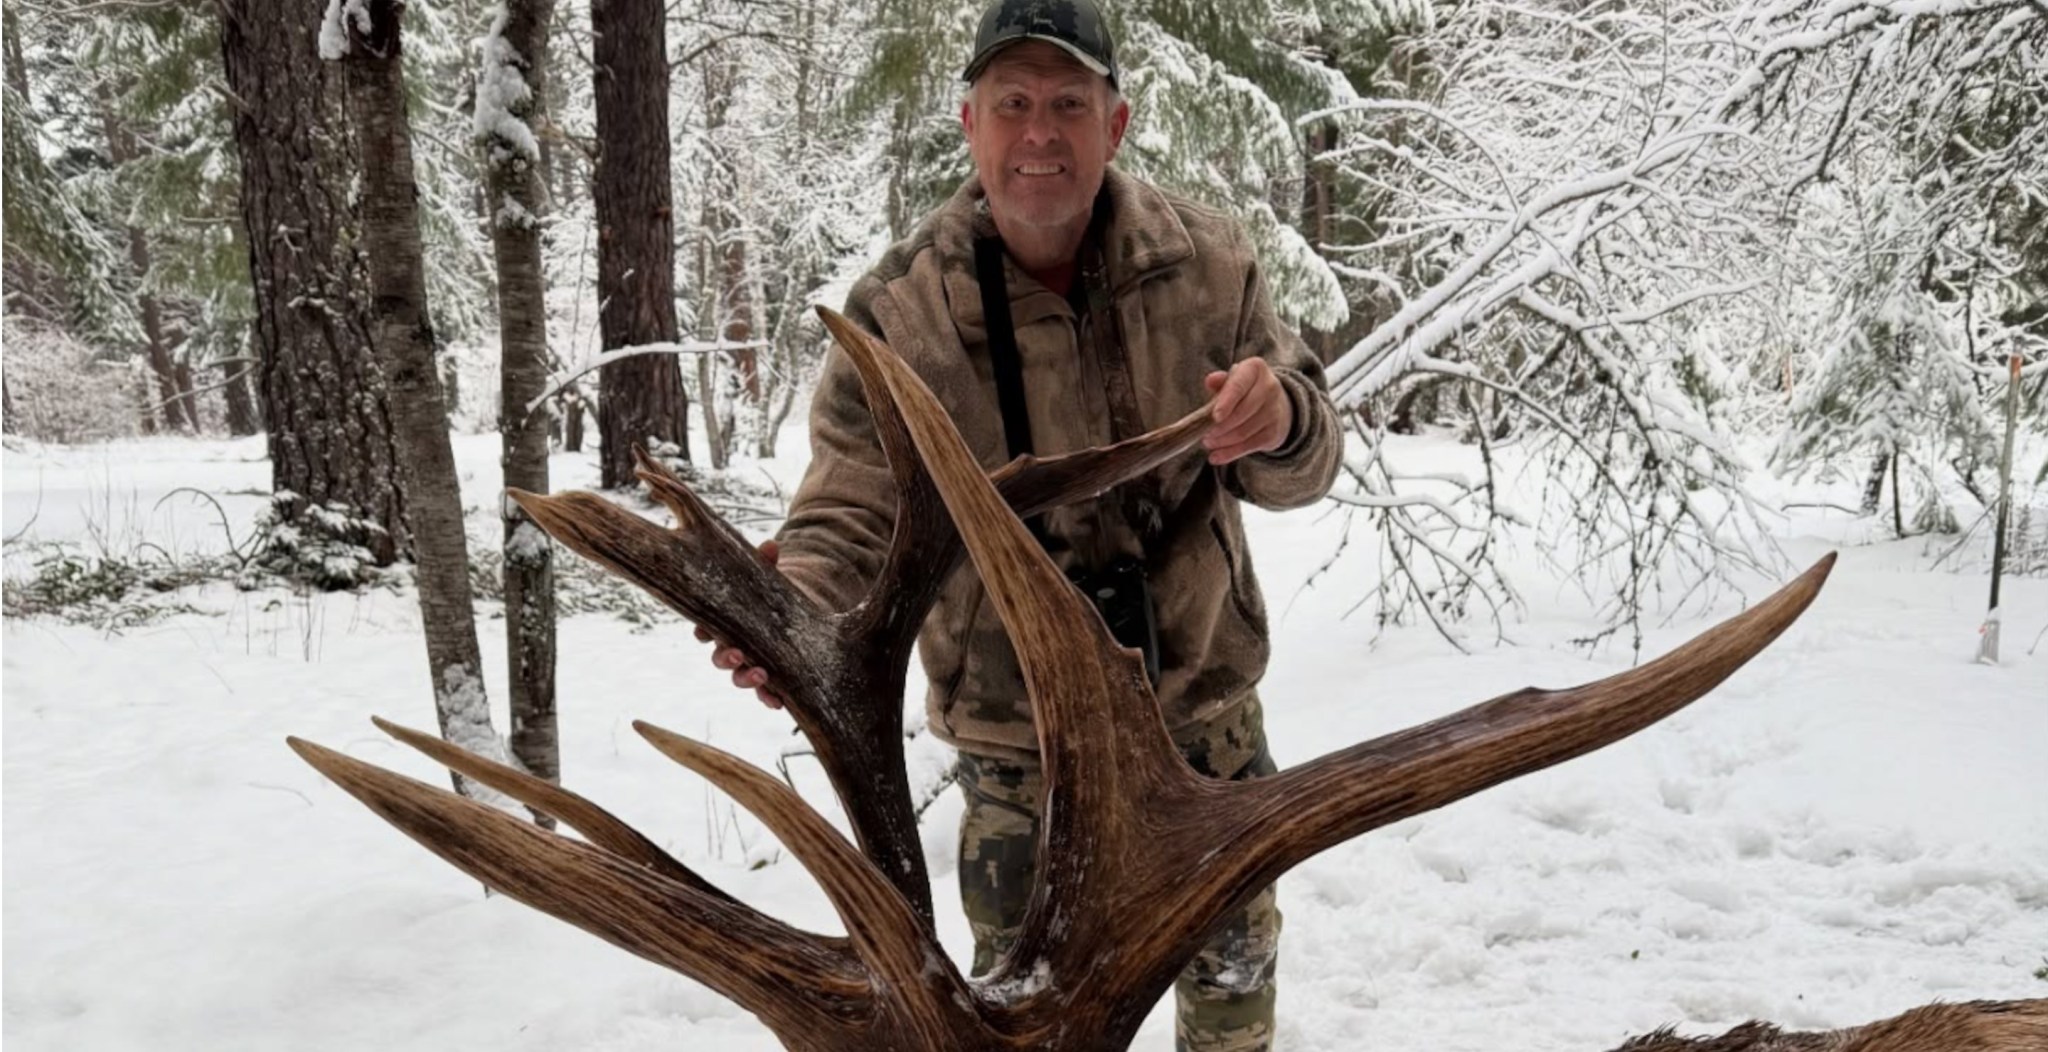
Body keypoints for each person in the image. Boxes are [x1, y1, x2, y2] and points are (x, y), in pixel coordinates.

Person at [701, 2, 1342, 1048]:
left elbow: (1305, 460)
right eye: (1012, 103)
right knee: (1024, 1027)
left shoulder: (1211, 263)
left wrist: (1279, 422)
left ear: (1115, 122)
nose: (1038, 132)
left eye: (1066, 103)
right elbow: (844, 514)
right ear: (969, 123)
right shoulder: (900, 311)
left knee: (1230, 996)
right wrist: (794, 610)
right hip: (1016, 758)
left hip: (1202, 728)